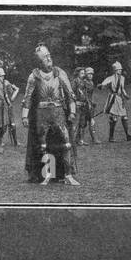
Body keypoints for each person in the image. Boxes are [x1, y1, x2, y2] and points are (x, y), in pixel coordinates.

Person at [22, 44, 79, 186]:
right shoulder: (34, 76)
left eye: (49, 56)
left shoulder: (59, 73)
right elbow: (27, 97)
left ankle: (68, 174)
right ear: (39, 61)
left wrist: (72, 111)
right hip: (42, 114)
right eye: (44, 57)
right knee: (43, 146)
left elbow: (70, 94)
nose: (48, 58)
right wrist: (24, 116)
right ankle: (47, 174)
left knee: (66, 143)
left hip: (58, 111)